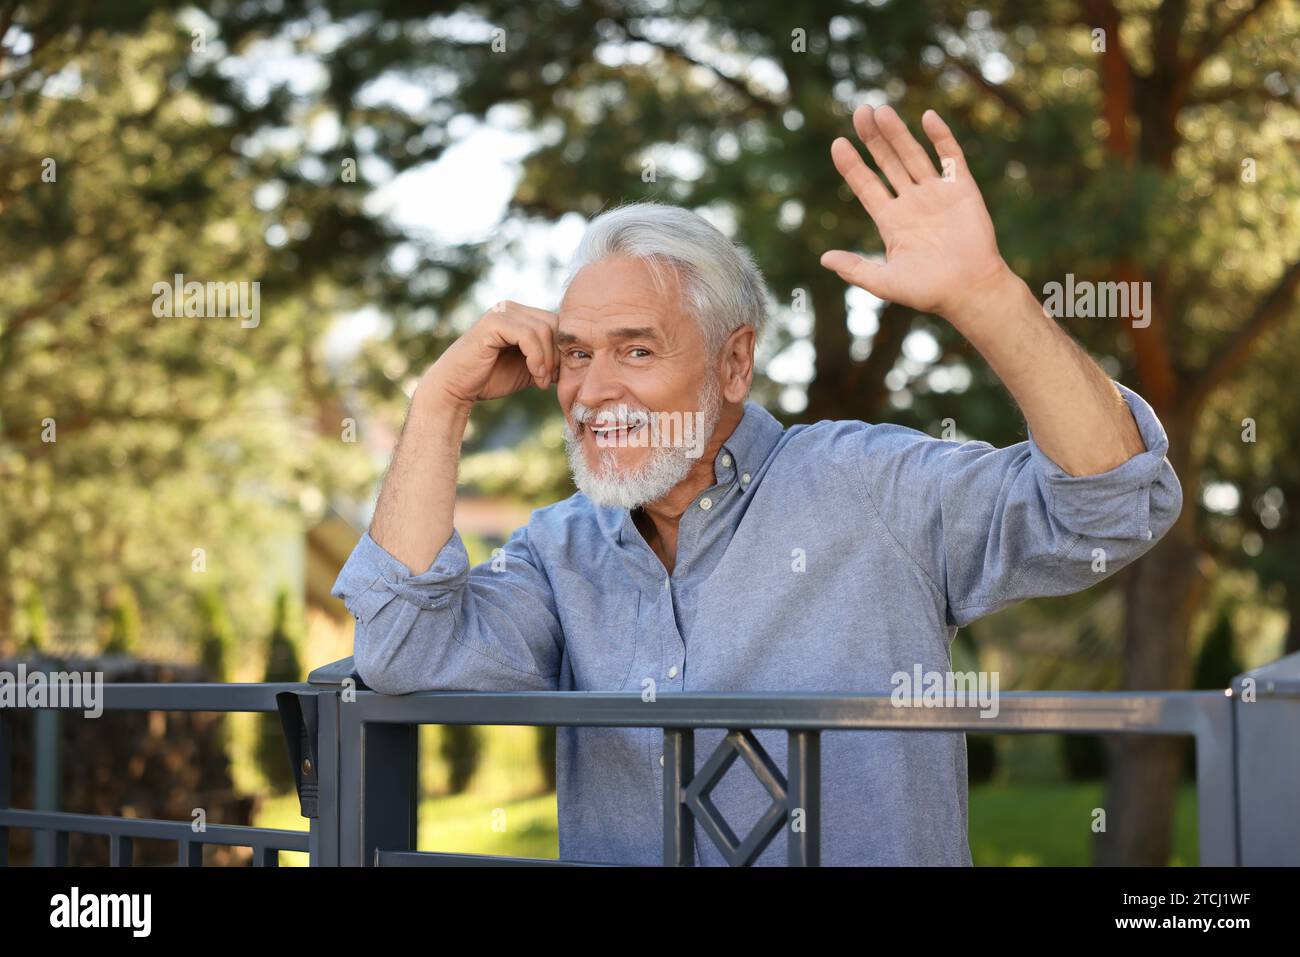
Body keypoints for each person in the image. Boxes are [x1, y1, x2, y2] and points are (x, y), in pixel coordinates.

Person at [331, 106, 1182, 866]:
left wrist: (988, 297)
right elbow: (402, 650)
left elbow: (1106, 505)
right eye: (577, 354)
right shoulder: (558, 550)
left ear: (734, 362)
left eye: (636, 350)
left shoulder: (870, 486)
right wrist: (439, 403)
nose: (592, 392)